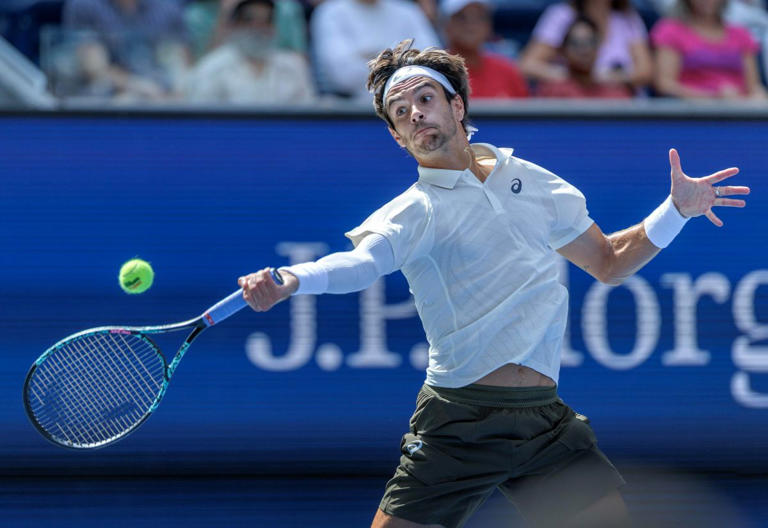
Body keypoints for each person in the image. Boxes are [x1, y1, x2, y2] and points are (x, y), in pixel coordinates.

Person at [236, 39, 749, 527]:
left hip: (544, 422)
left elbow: (609, 262)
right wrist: (292, 279)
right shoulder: (411, 213)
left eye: (425, 98)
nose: (415, 112)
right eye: (400, 112)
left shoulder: (533, 181)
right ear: (397, 136)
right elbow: (359, 265)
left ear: (456, 106)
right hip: (458, 423)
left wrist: (677, 212)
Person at [183, 0, 314, 104]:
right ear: (234, 26)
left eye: (266, 21)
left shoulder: (293, 67)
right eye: (249, 20)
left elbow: (308, 118)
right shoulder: (212, 68)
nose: (258, 28)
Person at [310, 0, 440, 98]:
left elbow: (432, 64)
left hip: (412, 106)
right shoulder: (330, 13)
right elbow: (344, 77)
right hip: (353, 115)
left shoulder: (409, 12)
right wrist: (402, 59)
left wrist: (369, 57)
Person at [519, 0, 653, 93]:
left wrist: (606, 77)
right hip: (570, 104)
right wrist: (576, 77)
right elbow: (527, 65)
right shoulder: (560, 15)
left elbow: (644, 72)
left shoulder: (627, 18)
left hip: (618, 107)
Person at [62, 0, 190, 96]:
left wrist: (169, 96)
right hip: (108, 97)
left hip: (162, 97)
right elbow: (94, 69)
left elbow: (178, 67)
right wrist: (137, 86)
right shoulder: (84, 5)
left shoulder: (168, 8)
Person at [650, 0, 767, 99]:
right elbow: (664, 84)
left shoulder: (741, 34)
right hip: (691, 115)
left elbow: (753, 85)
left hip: (740, 111)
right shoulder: (670, 30)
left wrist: (759, 96)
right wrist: (713, 98)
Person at [441, 0, 529, 99]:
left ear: (489, 26)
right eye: (461, 17)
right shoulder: (434, 73)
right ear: (446, 25)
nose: (471, 26)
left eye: (480, 17)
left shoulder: (508, 71)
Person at [537, 16, 634, 98]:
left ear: (599, 46)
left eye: (590, 42)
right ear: (563, 50)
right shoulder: (551, 92)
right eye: (576, 43)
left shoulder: (616, 93)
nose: (584, 50)